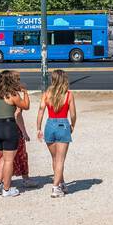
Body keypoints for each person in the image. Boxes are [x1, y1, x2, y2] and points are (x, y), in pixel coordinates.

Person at [0, 70, 31, 197]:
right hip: (8, 127)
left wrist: (0, 112)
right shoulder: (13, 95)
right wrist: (26, 92)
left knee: (3, 157)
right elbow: (26, 106)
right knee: (9, 160)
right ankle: (6, 189)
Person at [36, 69, 77, 197]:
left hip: (50, 124)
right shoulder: (68, 95)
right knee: (60, 159)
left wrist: (38, 128)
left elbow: (41, 110)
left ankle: (61, 183)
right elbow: (73, 114)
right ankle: (55, 188)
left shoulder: (47, 93)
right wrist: (72, 125)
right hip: (63, 124)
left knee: (54, 158)